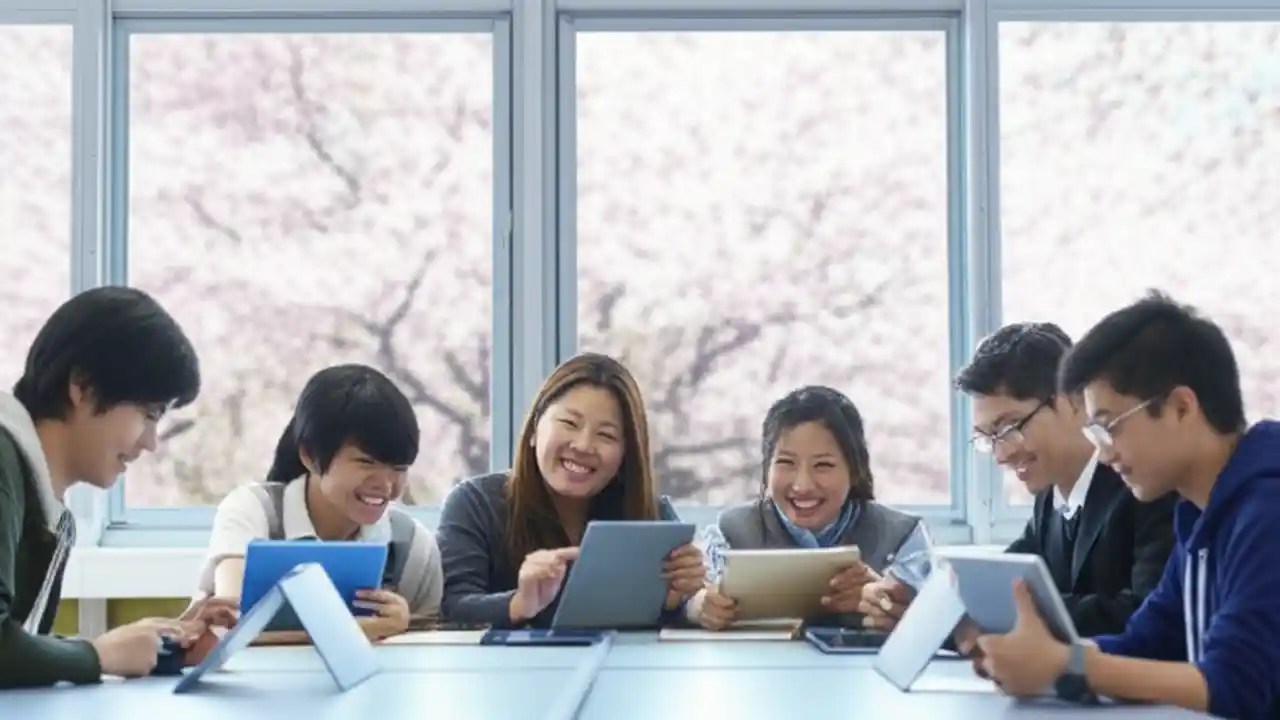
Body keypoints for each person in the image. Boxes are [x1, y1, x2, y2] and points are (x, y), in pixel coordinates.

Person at [975, 292, 1280, 719]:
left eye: (1109, 427)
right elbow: (1149, 640)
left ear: (1180, 407)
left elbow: (1235, 686)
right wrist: (1039, 658)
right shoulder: (1197, 512)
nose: (1102, 454)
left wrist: (1069, 664)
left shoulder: (1267, 510)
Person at [860, 323, 1175, 637]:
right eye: (989, 438)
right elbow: (997, 582)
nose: (1001, 455)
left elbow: (1143, 615)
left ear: (1073, 402)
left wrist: (986, 612)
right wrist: (912, 602)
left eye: (1009, 428)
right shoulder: (1050, 499)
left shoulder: (1145, 487)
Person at [0, 286, 236, 688]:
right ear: (84, 387)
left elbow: (17, 646)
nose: (151, 442)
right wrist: (97, 655)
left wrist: (133, 645)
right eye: (148, 414)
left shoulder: (48, 506)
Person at [436, 353, 704, 627]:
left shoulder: (651, 516)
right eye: (569, 423)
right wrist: (519, 604)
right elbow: (453, 608)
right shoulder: (475, 503)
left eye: (606, 435)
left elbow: (674, 615)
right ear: (534, 430)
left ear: (627, 454)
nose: (583, 445)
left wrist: (684, 599)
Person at [197, 364, 442, 638]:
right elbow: (231, 628)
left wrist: (401, 626)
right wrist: (362, 630)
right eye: (365, 462)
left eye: (399, 468)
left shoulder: (412, 547)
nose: (385, 485)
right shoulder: (254, 512)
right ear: (310, 456)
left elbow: (429, 650)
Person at [692, 385, 933, 631]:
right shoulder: (730, 533)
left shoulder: (902, 536)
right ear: (767, 468)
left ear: (855, 470)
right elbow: (692, 602)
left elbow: (940, 627)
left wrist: (885, 604)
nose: (802, 485)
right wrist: (703, 607)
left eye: (823, 465)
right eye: (786, 463)